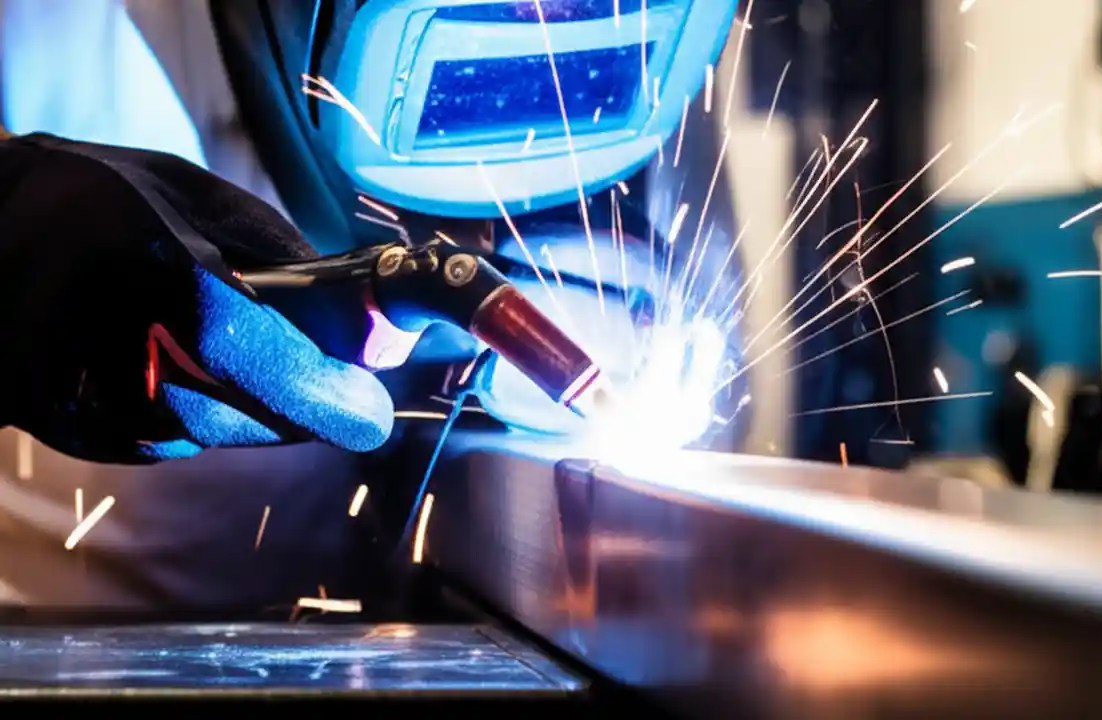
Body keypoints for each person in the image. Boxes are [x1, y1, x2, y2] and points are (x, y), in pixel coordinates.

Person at [0, 0, 738, 610]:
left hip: (363, 606)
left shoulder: (671, 45)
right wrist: (15, 231)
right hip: (62, 615)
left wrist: (624, 306)